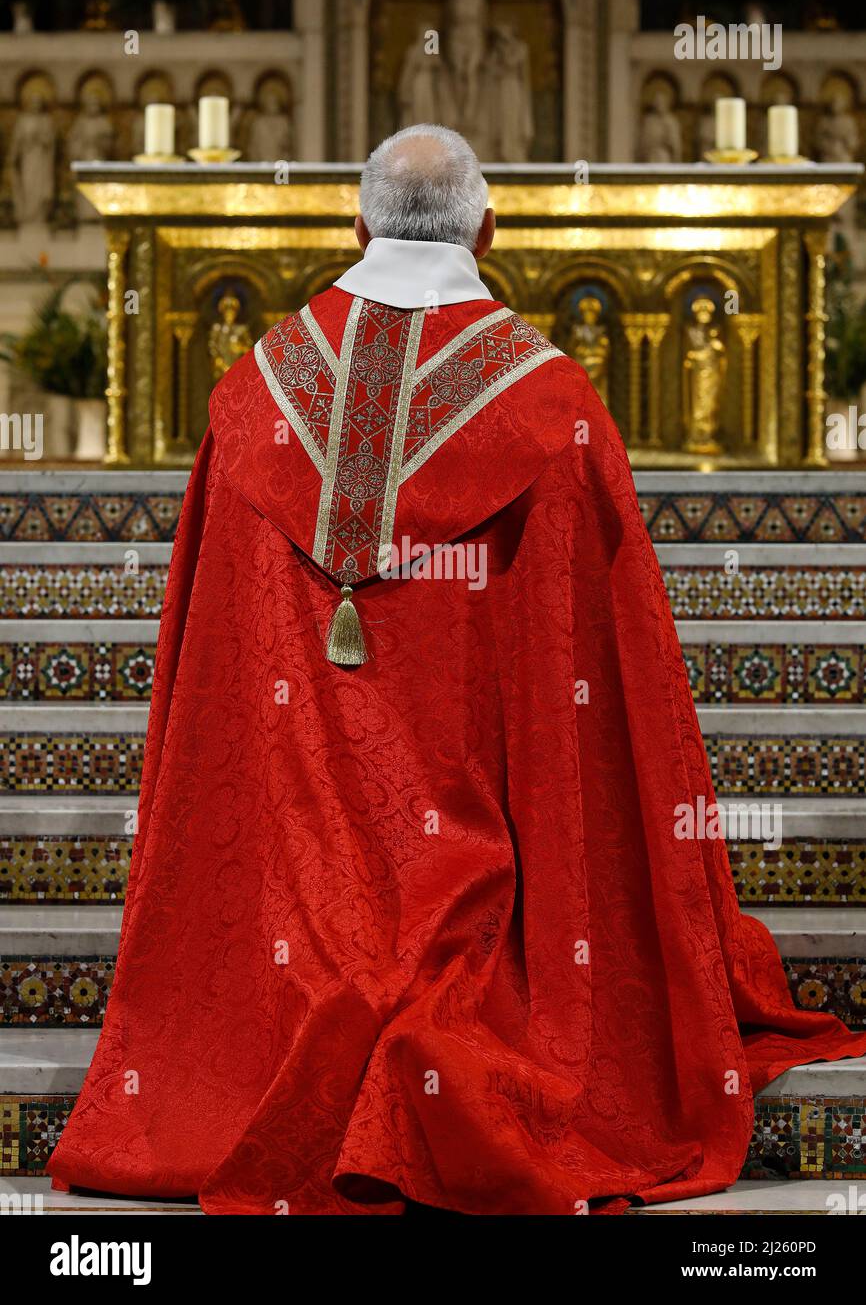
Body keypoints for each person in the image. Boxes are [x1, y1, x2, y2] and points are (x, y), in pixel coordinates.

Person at [48, 124, 866, 1216]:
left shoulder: (254, 398)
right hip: (482, 852)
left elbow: (216, 675)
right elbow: (606, 665)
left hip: (294, 861)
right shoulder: (547, 403)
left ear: (356, 225)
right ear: (489, 229)